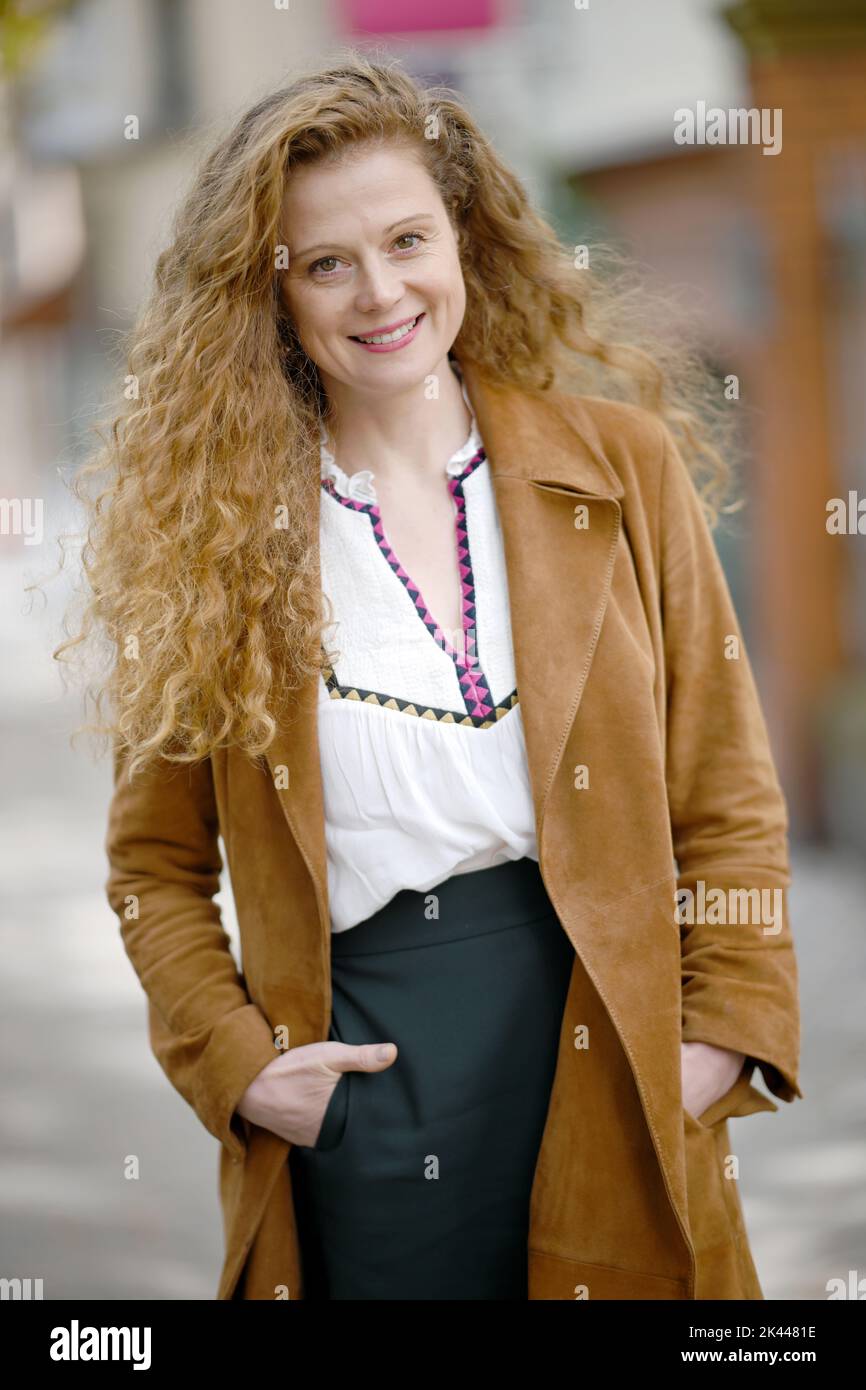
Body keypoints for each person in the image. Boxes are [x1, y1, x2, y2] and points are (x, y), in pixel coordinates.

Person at [62, 52, 801, 1300]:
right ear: (272, 292)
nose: (379, 290)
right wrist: (241, 1066)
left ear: (462, 238)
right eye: (326, 263)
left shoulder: (617, 469)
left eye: (406, 238)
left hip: (618, 1049)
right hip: (370, 1090)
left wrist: (722, 1034)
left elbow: (725, 791)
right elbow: (155, 868)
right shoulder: (219, 541)